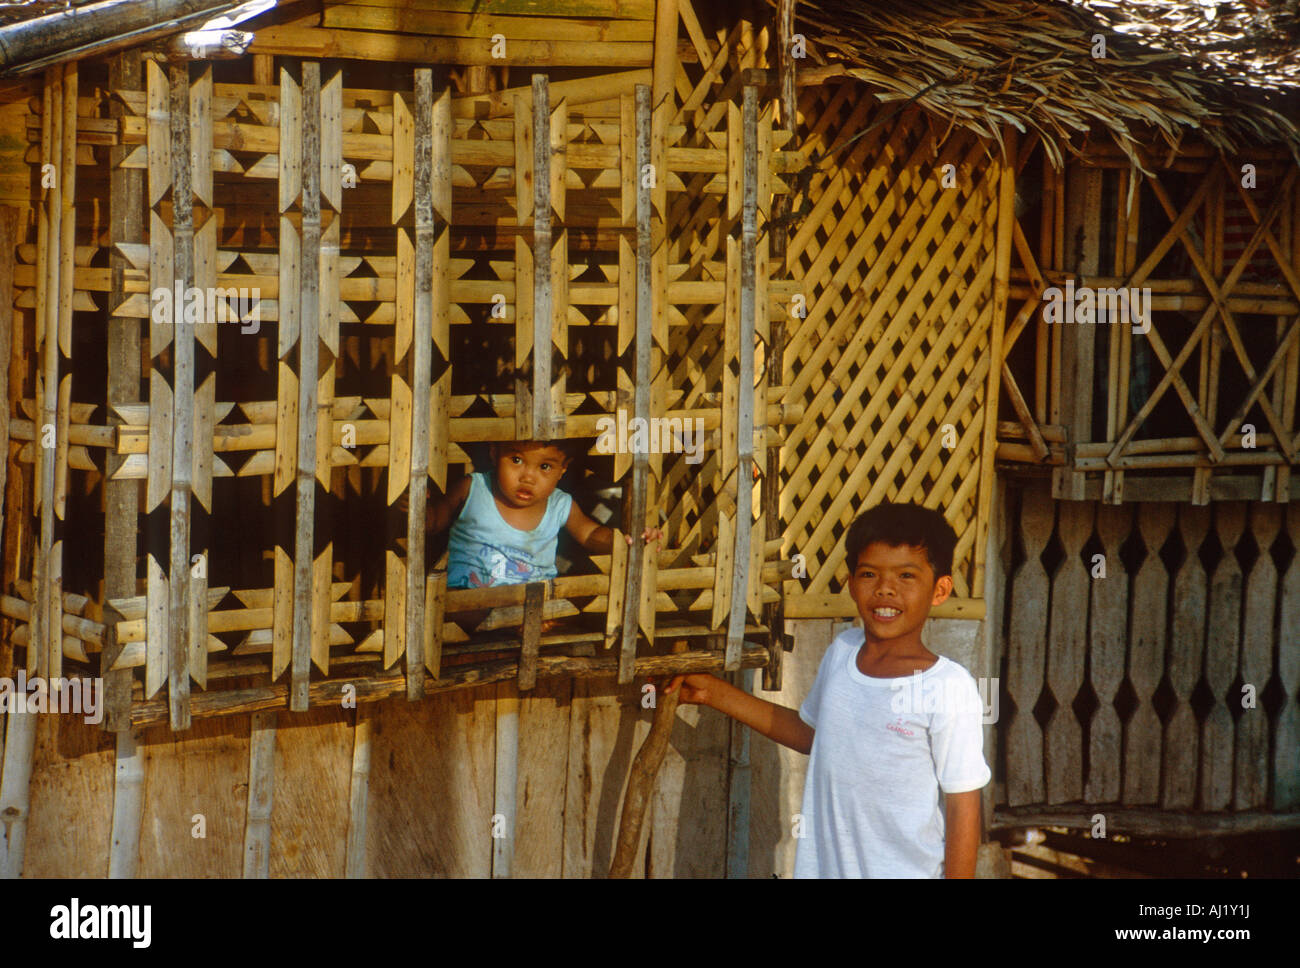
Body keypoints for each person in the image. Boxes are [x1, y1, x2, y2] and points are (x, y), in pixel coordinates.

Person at [665, 502, 990, 878]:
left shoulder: (947, 688)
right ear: (851, 583)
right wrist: (714, 694)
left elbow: (963, 805)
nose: (885, 589)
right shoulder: (842, 653)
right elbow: (813, 736)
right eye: (869, 574)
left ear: (940, 589)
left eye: (906, 576)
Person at [432, 439, 661, 589]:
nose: (528, 477)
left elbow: (590, 534)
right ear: (494, 453)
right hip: (469, 603)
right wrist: (420, 512)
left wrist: (627, 540)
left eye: (545, 467)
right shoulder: (473, 488)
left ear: (563, 469)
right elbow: (436, 520)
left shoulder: (559, 504)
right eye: (516, 460)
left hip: (529, 607)